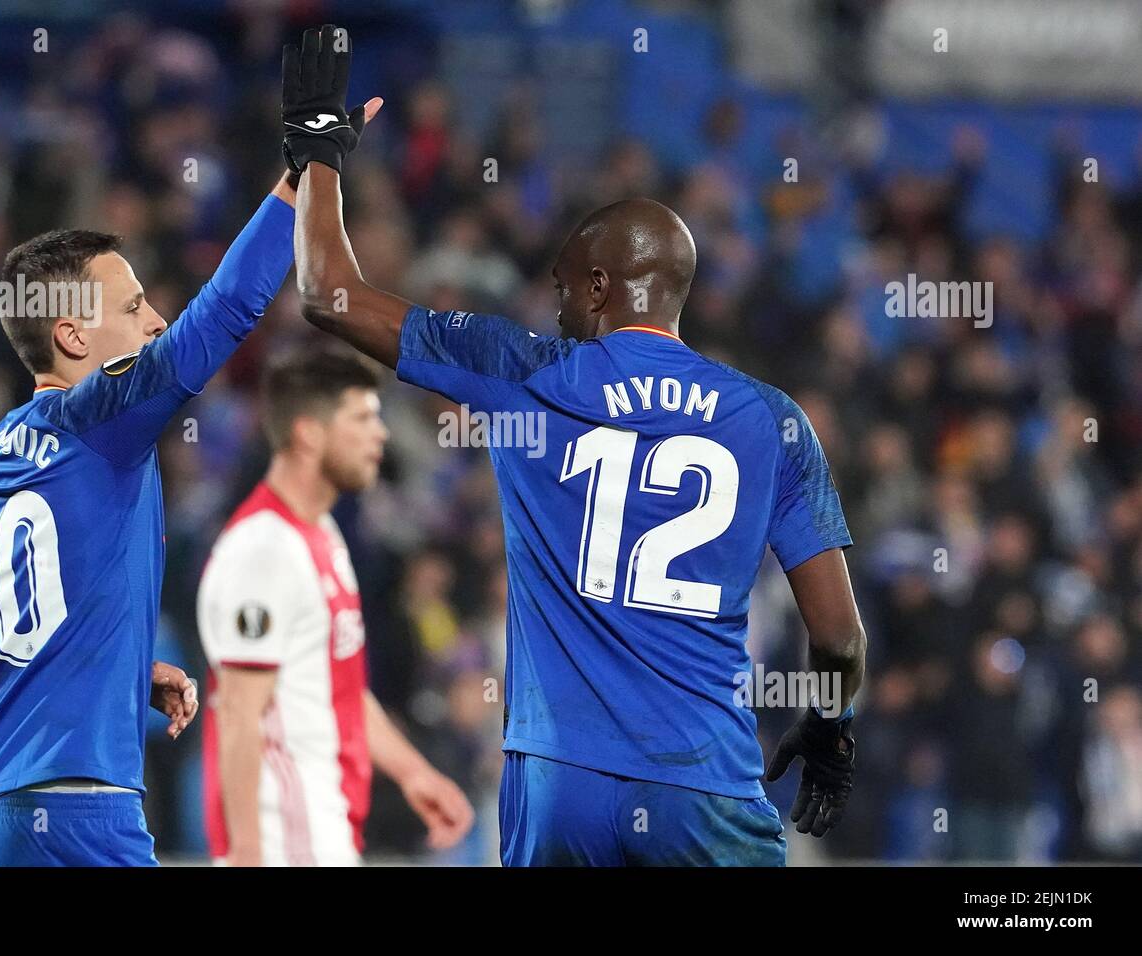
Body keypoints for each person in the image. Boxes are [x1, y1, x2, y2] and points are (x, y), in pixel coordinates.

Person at [283, 25, 867, 866]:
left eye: (562, 287)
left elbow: (329, 293)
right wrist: (830, 729)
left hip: (562, 786)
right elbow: (840, 637)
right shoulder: (772, 419)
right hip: (707, 786)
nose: (552, 308)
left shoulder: (530, 373)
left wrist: (317, 149)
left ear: (601, 286)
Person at [0, 72, 381, 865]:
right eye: (133, 305)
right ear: (72, 337)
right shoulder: (99, 417)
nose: (156, 317)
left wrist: (123, 670)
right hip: (72, 813)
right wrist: (303, 172)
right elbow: (225, 313)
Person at [197, 349, 474, 866]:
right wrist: (248, 854)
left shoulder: (324, 536)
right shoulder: (263, 551)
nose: (381, 434)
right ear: (309, 433)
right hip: (283, 840)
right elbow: (238, 713)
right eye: (363, 418)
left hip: (326, 826)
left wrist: (414, 772)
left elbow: (337, 687)